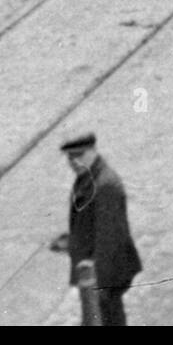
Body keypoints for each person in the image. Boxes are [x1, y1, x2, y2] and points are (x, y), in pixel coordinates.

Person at [51, 133, 142, 326]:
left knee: (107, 318)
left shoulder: (104, 185)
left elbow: (109, 239)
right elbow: (92, 224)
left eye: (79, 155)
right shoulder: (88, 176)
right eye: (70, 157)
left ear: (93, 151)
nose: (74, 162)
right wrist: (71, 241)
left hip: (105, 272)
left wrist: (98, 285)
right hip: (97, 271)